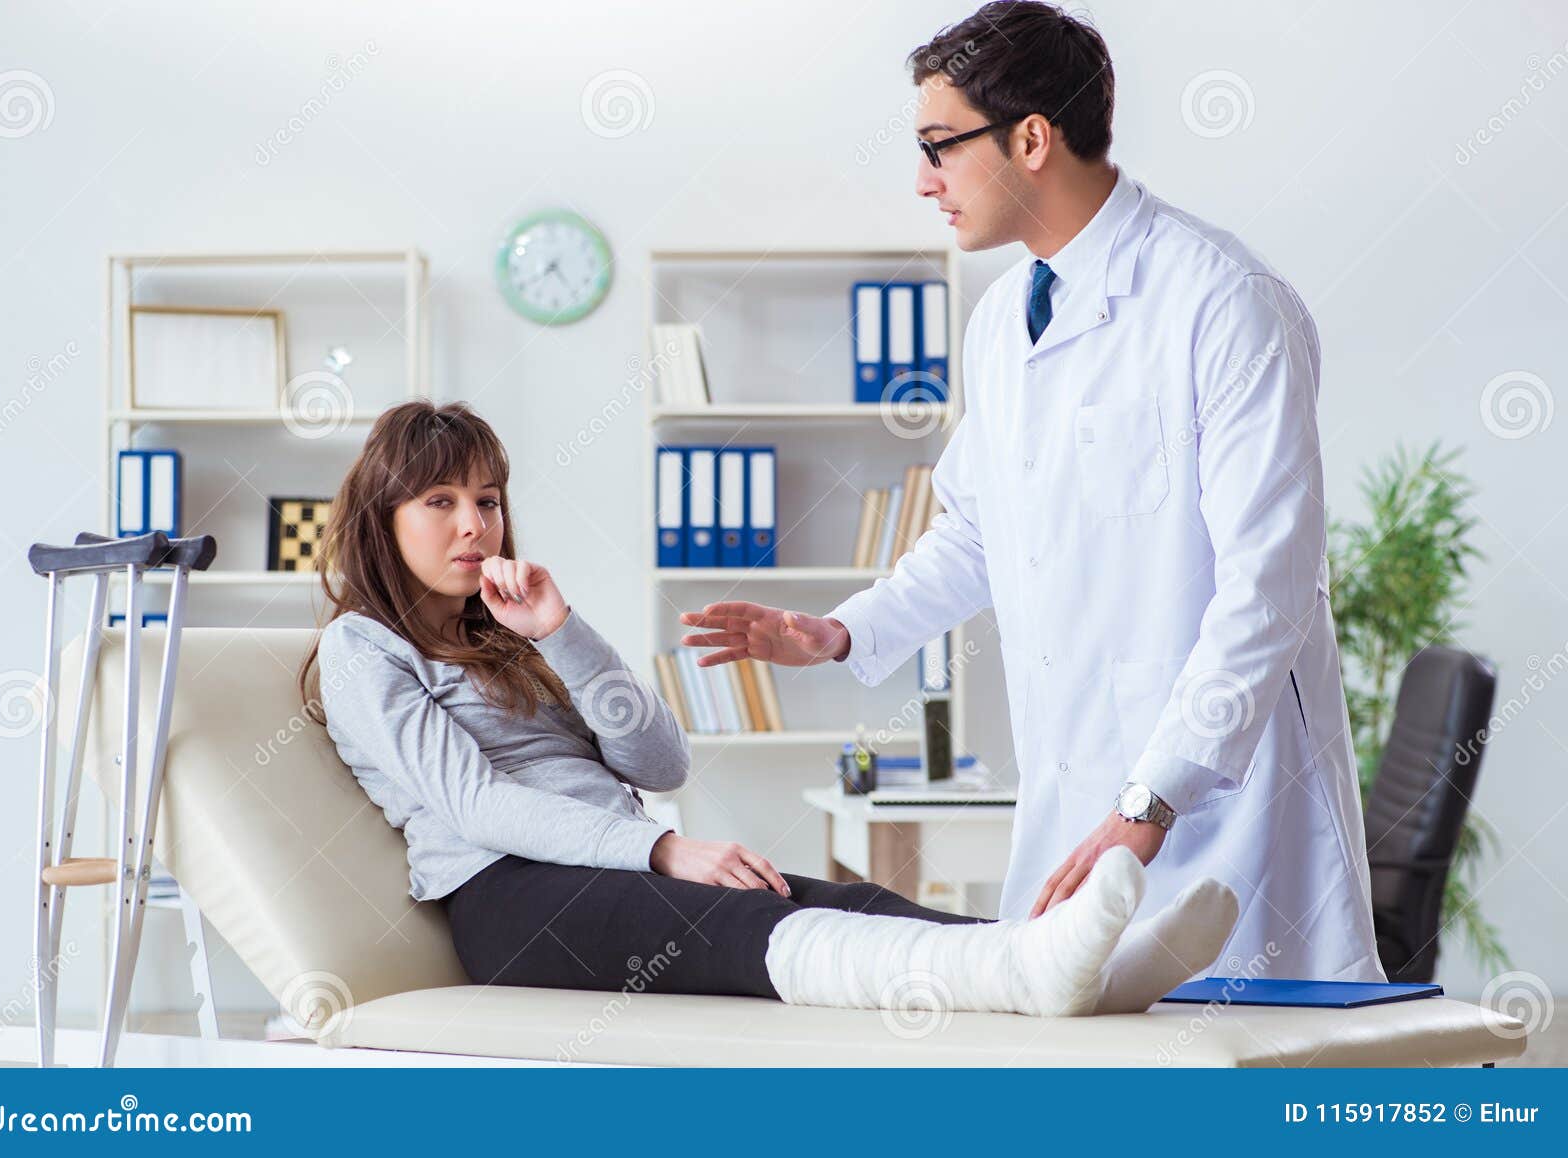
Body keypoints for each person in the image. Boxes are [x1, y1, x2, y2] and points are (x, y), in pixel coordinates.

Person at [681, 1, 1385, 983]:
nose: (923, 182)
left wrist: (1149, 802)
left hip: (1222, 811)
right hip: (1075, 800)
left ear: (1030, 138)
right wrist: (842, 633)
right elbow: (974, 533)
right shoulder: (1006, 315)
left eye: (939, 148)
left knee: (1241, 1094)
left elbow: (1266, 587)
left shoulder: (1222, 302)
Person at [300, 399, 1240, 1018]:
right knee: (748, 924)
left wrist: (561, 629)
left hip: (607, 868)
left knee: (834, 896)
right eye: (440, 501)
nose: (476, 524)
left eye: (489, 499)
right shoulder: (360, 650)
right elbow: (475, 806)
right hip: (505, 898)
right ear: (383, 517)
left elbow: (659, 763)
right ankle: (1029, 975)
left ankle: (1083, 967)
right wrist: (667, 850)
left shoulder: (513, 634)